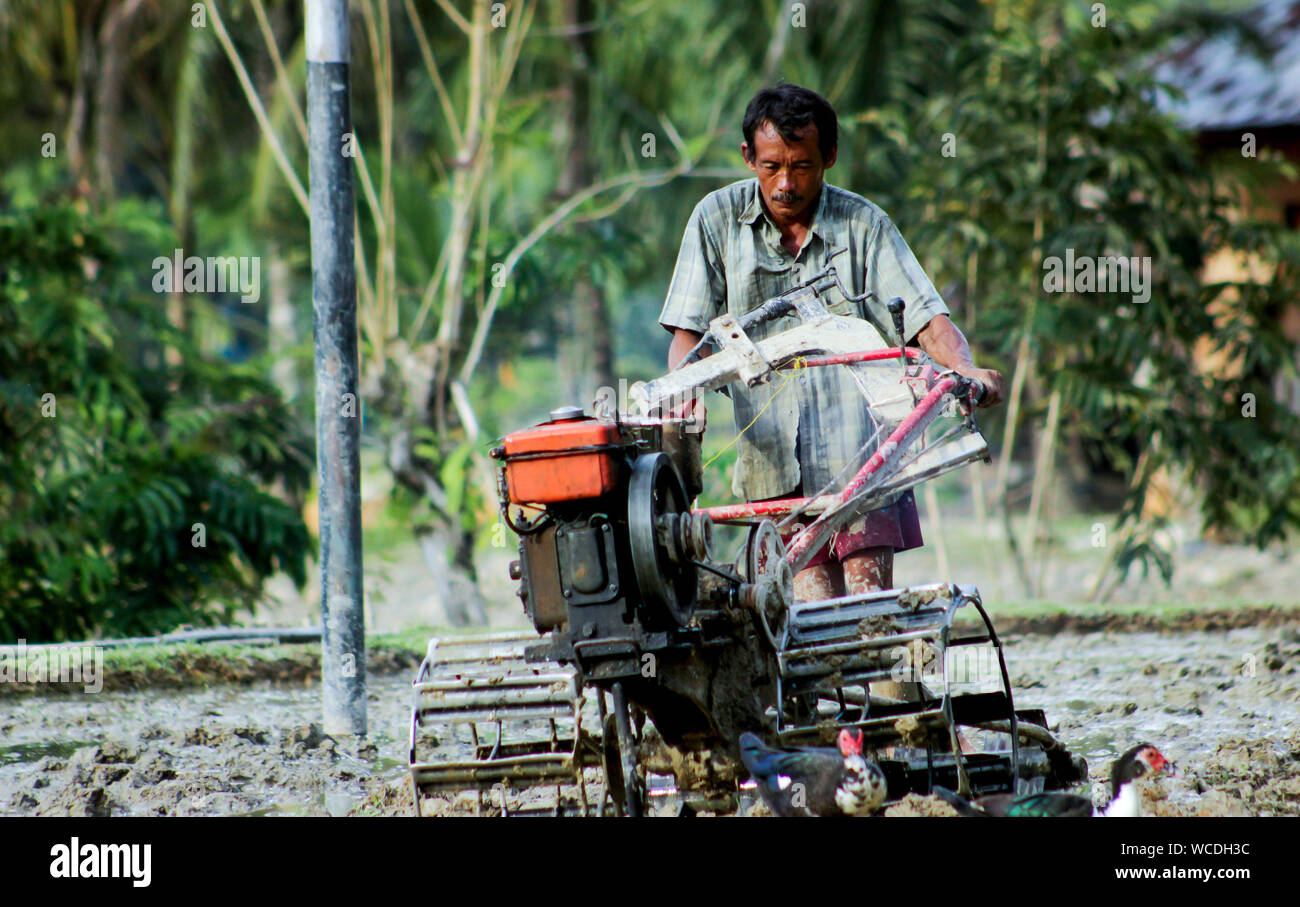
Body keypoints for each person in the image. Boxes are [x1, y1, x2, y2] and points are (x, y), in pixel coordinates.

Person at [658, 83, 1004, 611]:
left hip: (861, 459)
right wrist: (684, 397)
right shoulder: (715, 221)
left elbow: (925, 316)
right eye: (772, 166)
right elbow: (689, 334)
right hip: (773, 469)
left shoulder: (863, 225)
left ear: (830, 159)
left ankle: (892, 684)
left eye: (802, 167)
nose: (786, 184)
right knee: (807, 622)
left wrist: (965, 368)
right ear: (748, 156)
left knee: (869, 619)